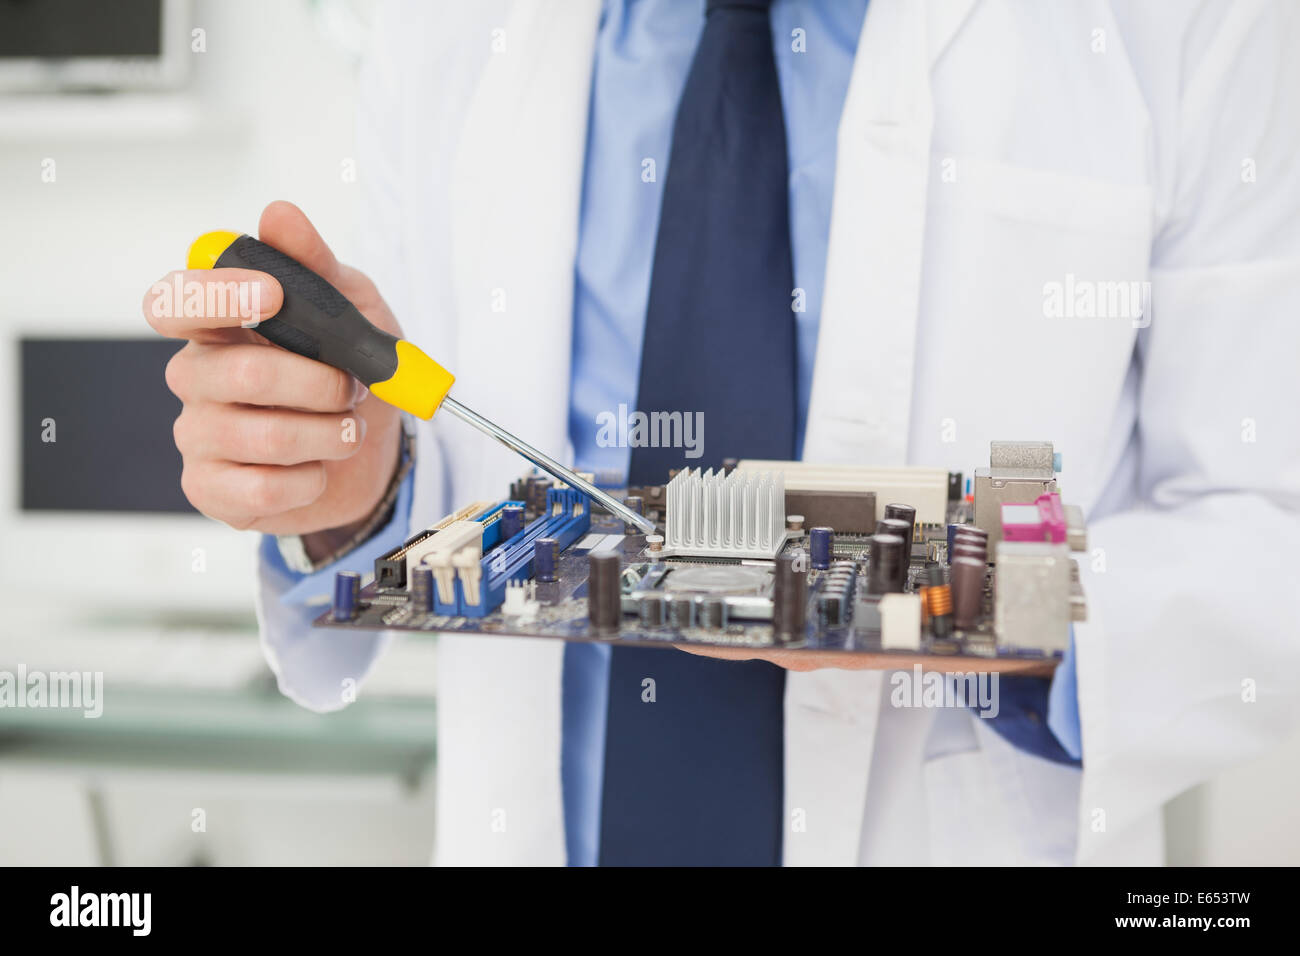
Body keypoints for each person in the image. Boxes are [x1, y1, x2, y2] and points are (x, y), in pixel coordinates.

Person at [143, 0, 1300, 866]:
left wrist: (937, 578)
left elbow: (1269, 525)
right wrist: (349, 487)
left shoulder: (1184, 22)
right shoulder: (443, 26)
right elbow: (438, 484)